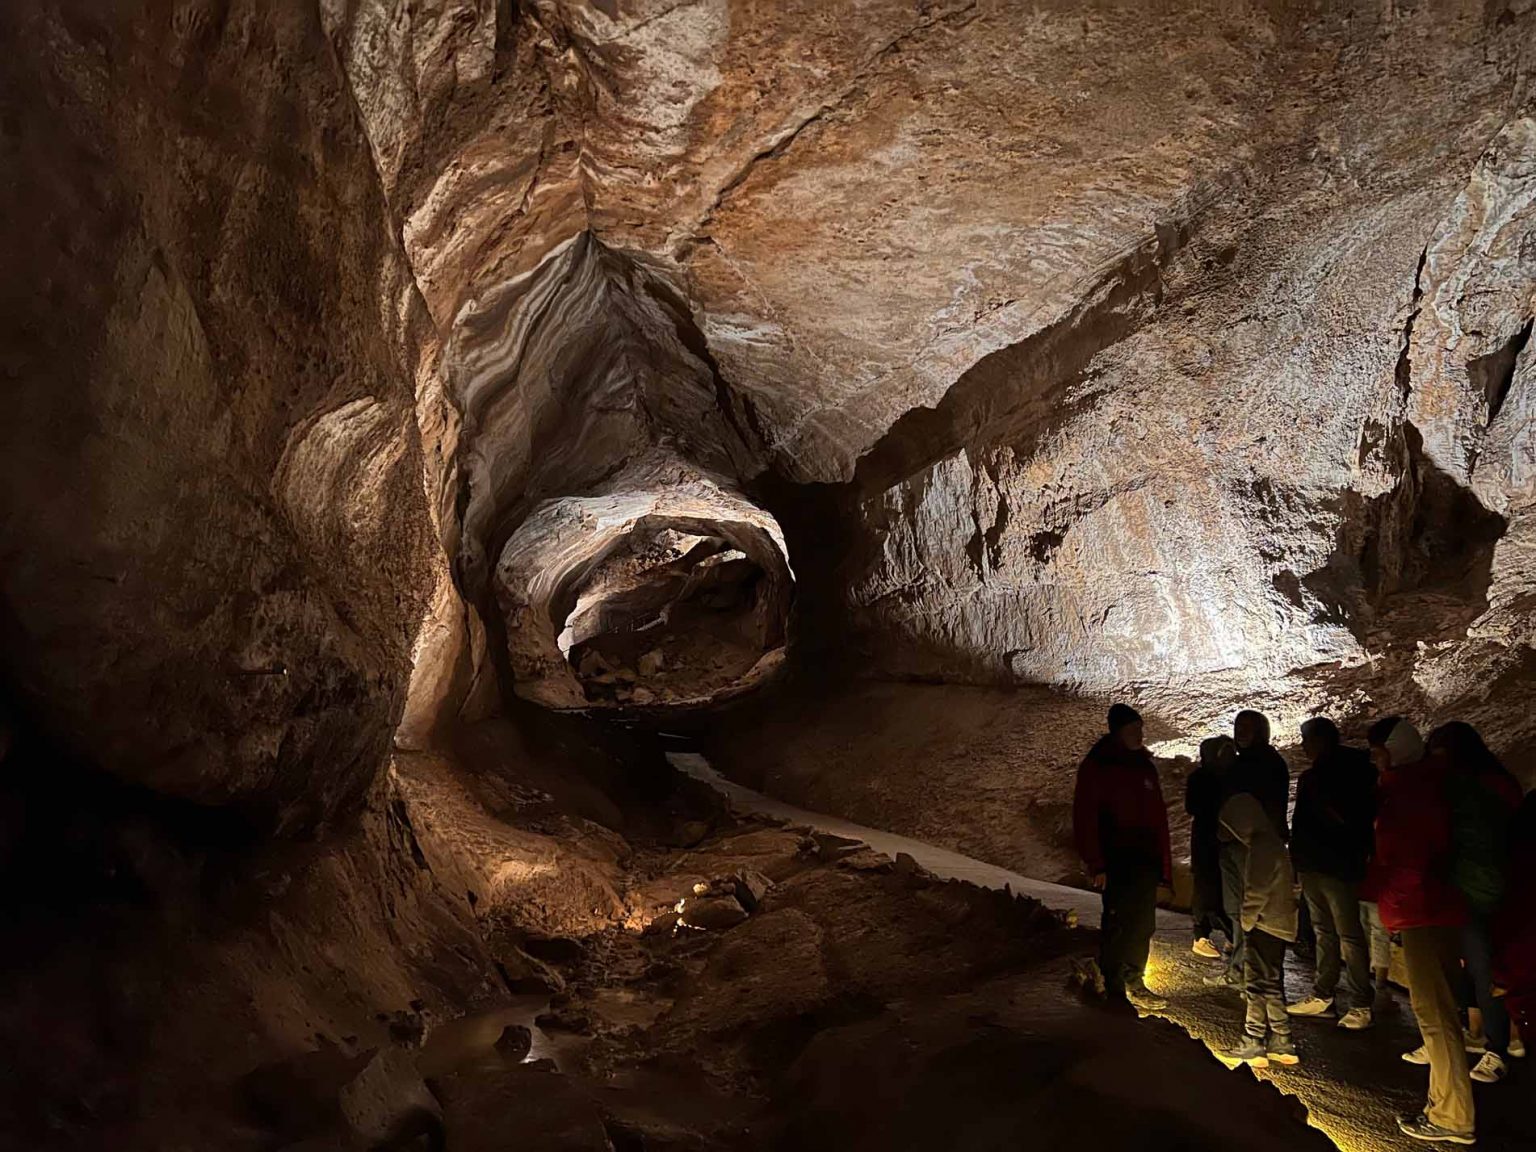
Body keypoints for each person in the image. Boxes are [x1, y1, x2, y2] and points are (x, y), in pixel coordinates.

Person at [1362, 718, 1474, 1145]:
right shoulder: (1418, 785)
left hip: (1424, 911)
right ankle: (1443, 1105)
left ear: (1396, 749)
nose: (1375, 758)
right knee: (1436, 1014)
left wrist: (1392, 900)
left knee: (1437, 1016)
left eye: (1379, 750)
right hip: (1430, 908)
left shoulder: (1411, 793)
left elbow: (1410, 861)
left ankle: (1453, 1115)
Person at [1431, 722, 1522, 1084]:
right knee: (1470, 969)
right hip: (1465, 890)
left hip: (1484, 890)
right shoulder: (1486, 784)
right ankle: (1480, 1036)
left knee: (1486, 970)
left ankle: (1497, 1049)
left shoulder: (1481, 789)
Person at [1074, 703, 1172, 1012]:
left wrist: (1163, 868)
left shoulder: (1144, 766)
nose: (1140, 735)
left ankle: (1134, 978)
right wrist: (1096, 862)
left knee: (1142, 924)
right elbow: (1086, 816)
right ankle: (1113, 985)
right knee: (1117, 922)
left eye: (1140, 729)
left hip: (1144, 859)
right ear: (1118, 732)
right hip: (1117, 858)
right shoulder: (1100, 765)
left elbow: (1158, 818)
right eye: (1133, 730)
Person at [1287, 717, 1378, 1030]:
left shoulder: (1338, 777)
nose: (1303, 746)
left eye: (1307, 740)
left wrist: (1297, 860)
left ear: (1321, 741)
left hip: (1334, 865)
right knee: (1326, 931)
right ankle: (1324, 994)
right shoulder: (1348, 773)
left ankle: (1360, 1002)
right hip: (1324, 864)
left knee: (1346, 934)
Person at [1216, 791, 1301, 1068]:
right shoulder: (1274, 843)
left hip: (1264, 924)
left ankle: (1253, 1040)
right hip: (1281, 924)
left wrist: (1247, 920)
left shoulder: (1261, 846)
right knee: (1273, 983)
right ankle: (1281, 1039)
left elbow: (1256, 890)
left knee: (1255, 984)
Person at [1186, 736, 1237, 959]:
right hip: (1208, 840)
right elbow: (1194, 806)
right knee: (1208, 889)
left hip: (1218, 839)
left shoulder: (1226, 778)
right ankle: (1203, 935)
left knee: (1220, 889)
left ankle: (1223, 935)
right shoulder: (1203, 778)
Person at [1230, 710, 1291, 840]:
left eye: (1247, 728)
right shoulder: (1242, 762)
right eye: (1238, 728)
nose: (1241, 733)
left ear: (1259, 732)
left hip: (1261, 841)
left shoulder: (1268, 763)